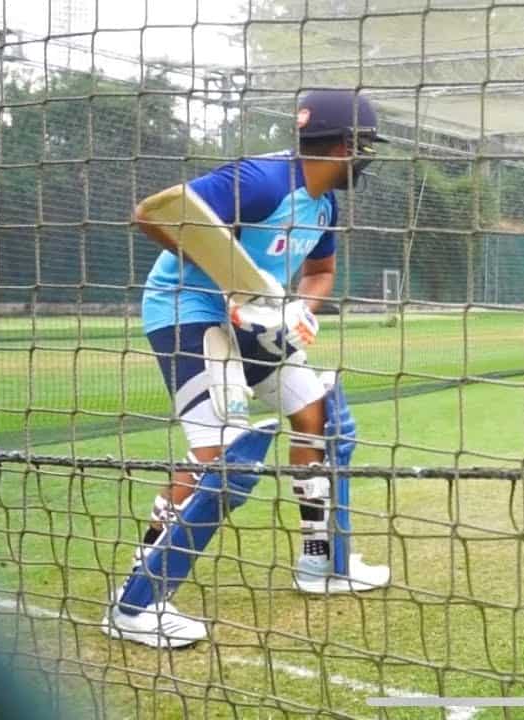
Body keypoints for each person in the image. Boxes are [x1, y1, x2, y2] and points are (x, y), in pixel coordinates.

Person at [103, 89, 391, 649]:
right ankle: (138, 600)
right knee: (225, 461)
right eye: (363, 147)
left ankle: (320, 563)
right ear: (342, 144)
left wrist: (298, 312)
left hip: (257, 323)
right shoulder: (262, 181)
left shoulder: (324, 203)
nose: (366, 158)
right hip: (189, 309)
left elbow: (320, 270)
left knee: (321, 419)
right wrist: (226, 280)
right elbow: (155, 212)